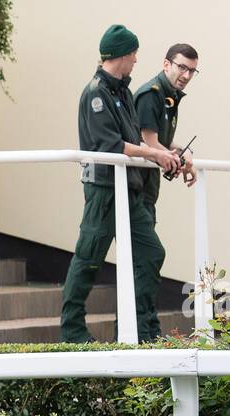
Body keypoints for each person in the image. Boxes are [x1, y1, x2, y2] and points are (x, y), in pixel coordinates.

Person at [59, 24, 182, 345]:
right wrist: (155, 155)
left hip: (129, 188)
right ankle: (72, 331)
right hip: (103, 189)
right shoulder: (96, 93)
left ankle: (139, 328)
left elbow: (135, 139)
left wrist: (166, 153)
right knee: (88, 258)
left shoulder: (122, 91)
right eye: (133, 55)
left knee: (152, 254)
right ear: (120, 56)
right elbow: (111, 145)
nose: (136, 61)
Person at [134, 42, 199, 223]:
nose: (186, 75)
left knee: (143, 251)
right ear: (166, 64)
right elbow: (150, 143)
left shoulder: (170, 94)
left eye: (192, 71)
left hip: (146, 188)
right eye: (182, 67)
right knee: (151, 252)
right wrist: (180, 161)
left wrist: (185, 152)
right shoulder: (152, 94)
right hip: (135, 187)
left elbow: (163, 140)